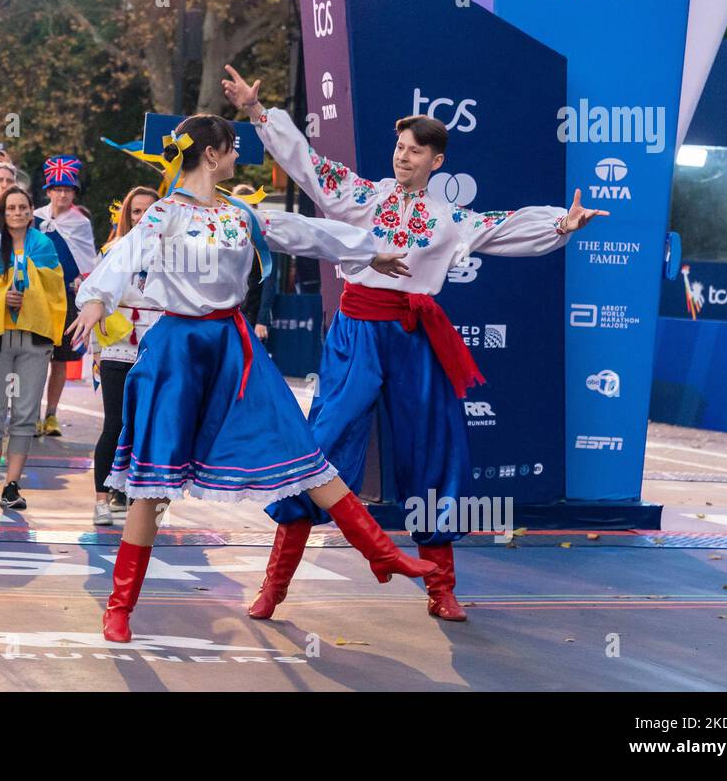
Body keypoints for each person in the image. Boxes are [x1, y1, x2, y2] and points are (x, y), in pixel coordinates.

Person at [223, 65, 607, 622]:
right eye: (399, 147)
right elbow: (306, 164)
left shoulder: (449, 219)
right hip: (356, 337)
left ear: (437, 162)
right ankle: (274, 586)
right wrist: (260, 113)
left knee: (435, 454)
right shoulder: (361, 197)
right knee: (318, 448)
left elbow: (503, 228)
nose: (403, 156)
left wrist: (561, 225)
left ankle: (441, 588)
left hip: (415, 342)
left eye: (415, 151)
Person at [69, 113, 437, 643]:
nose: (239, 155)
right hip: (178, 349)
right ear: (213, 153)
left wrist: (368, 252)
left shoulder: (241, 213)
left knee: (303, 453)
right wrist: (95, 300)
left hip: (235, 349)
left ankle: (383, 555)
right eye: (234, 147)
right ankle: (120, 605)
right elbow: (122, 260)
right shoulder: (165, 214)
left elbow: (305, 233)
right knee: (152, 486)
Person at [0, 186, 67, 511]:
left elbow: (56, 292)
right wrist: (2, 297)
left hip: (33, 336)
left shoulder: (44, 245)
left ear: (31, 212)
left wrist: (28, 285)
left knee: (25, 413)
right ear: (2, 213)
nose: (16, 213)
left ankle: (12, 484)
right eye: (10, 208)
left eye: (22, 207)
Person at [89, 185, 160, 525]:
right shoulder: (113, 251)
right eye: (135, 211)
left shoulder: (172, 254)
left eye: (149, 210)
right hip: (117, 347)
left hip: (155, 350)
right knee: (115, 423)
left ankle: (136, 499)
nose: (142, 216)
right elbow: (95, 302)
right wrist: (96, 350)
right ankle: (102, 500)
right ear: (127, 215)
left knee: (145, 427)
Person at [33, 155, 95, 436]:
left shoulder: (80, 223)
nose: (62, 194)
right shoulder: (34, 218)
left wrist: (83, 281)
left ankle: (51, 415)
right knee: (34, 357)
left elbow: (88, 262)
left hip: (67, 296)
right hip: (37, 297)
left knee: (60, 358)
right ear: (48, 191)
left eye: (68, 189)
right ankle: (31, 413)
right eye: (57, 188)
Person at [230, 183, 276, 343]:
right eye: (236, 206)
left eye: (246, 207)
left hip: (252, 315)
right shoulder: (226, 235)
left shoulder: (263, 237)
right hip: (229, 314)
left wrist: (261, 320)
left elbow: (270, 283)